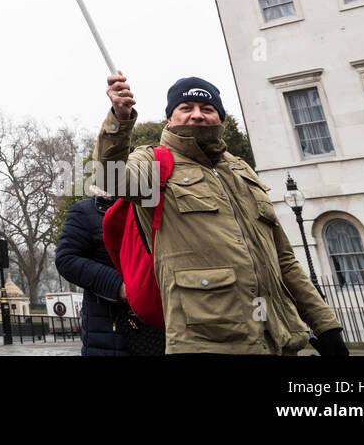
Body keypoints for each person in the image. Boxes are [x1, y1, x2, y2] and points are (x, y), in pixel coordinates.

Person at [95, 72, 348, 355]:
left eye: (207, 109)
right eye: (186, 108)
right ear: (170, 118)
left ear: (220, 118)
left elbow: (283, 259)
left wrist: (326, 325)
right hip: (204, 342)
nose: (197, 115)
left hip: (277, 340)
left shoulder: (241, 170)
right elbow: (110, 178)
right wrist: (120, 117)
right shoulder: (153, 161)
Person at [55, 192, 130, 355]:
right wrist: (119, 286)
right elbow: (66, 259)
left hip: (159, 331)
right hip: (109, 334)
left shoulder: (155, 208)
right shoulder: (86, 211)